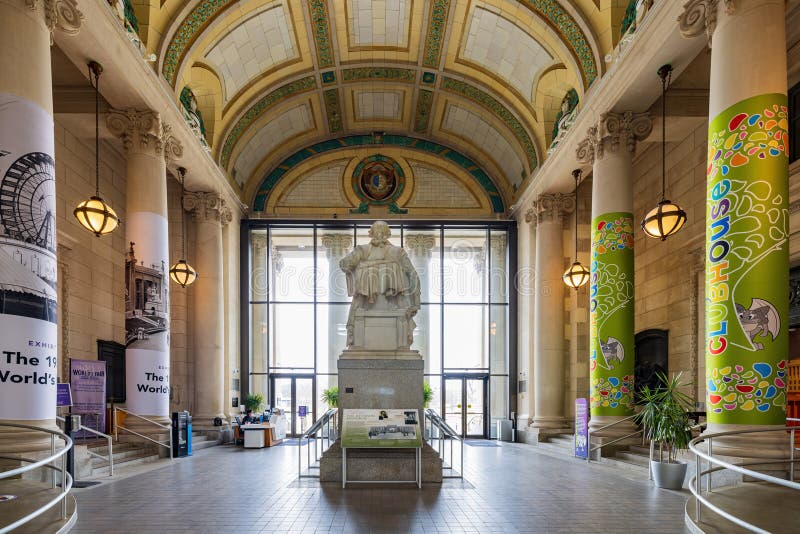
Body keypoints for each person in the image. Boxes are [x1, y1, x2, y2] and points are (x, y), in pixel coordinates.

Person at [339, 221, 420, 347]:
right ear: (372, 233)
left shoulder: (397, 252)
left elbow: (413, 274)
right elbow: (344, 265)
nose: (380, 234)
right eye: (377, 230)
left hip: (391, 304)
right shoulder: (363, 250)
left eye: (382, 231)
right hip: (368, 305)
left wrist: (415, 303)